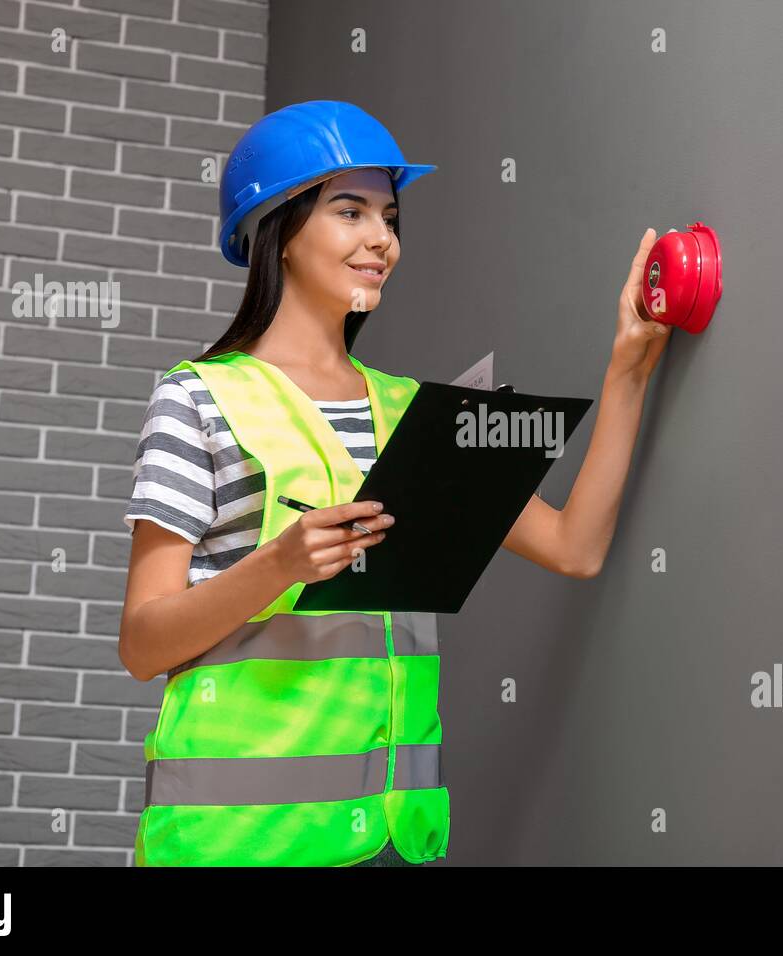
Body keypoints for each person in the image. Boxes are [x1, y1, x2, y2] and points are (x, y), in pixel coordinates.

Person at [119, 100, 672, 866]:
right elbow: (143, 643)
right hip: (234, 842)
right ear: (278, 232)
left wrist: (628, 368)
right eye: (350, 212)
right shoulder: (198, 401)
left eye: (389, 216)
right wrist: (279, 564)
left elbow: (573, 547)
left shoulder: (415, 414)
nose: (382, 239)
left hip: (386, 842)